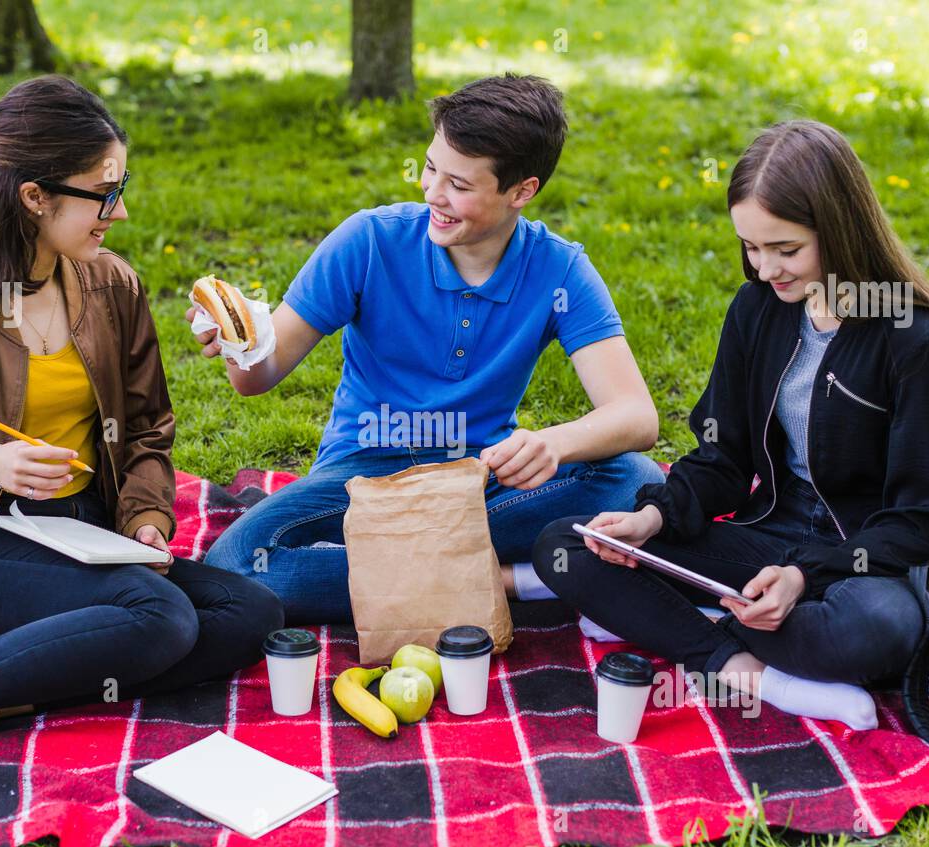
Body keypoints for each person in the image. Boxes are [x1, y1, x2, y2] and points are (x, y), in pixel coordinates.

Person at [0, 75, 283, 812]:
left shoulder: (113, 288)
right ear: (34, 197)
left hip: (91, 534)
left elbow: (144, 431)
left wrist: (146, 520)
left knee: (251, 614)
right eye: (103, 191)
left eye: (121, 185)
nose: (121, 210)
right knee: (160, 618)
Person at [534, 119, 929, 730]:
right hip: (770, 533)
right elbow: (723, 457)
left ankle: (675, 616)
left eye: (786, 249)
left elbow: (921, 519)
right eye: (751, 247)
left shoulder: (913, 339)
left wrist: (803, 576)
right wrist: (651, 517)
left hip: (863, 563)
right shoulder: (758, 309)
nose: (765, 269)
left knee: (873, 632)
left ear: (839, 229)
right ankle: (746, 669)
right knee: (567, 545)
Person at [191, 74, 661, 623]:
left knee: (637, 480)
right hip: (362, 478)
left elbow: (637, 416)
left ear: (521, 191)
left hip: (476, 482)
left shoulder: (560, 269)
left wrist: (554, 443)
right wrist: (236, 343)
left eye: (460, 184)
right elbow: (257, 379)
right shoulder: (370, 241)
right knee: (238, 566)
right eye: (431, 167)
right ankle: (498, 580)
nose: (433, 192)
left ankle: (410, 574)